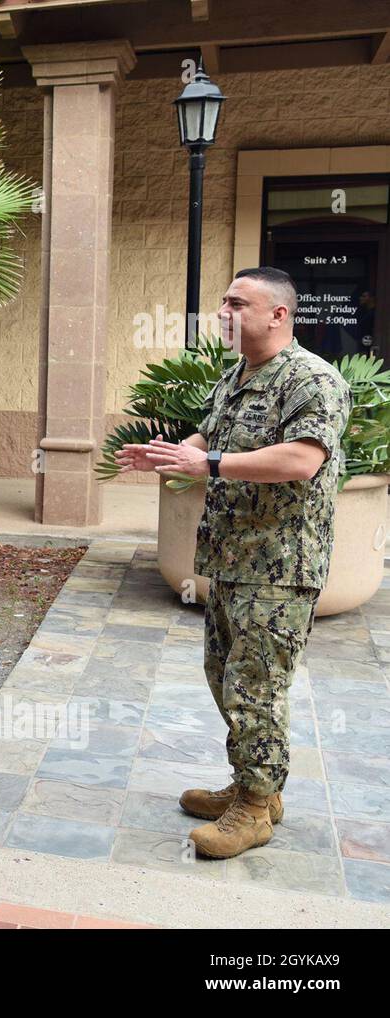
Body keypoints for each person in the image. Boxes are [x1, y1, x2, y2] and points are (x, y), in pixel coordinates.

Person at [116, 267, 351, 860]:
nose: (225, 312)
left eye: (238, 303)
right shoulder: (237, 377)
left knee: (256, 688)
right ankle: (256, 786)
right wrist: (169, 456)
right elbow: (207, 436)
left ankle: (254, 809)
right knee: (224, 676)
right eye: (224, 302)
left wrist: (210, 464)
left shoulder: (312, 380)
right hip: (232, 559)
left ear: (279, 314)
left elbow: (301, 460)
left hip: (280, 566)